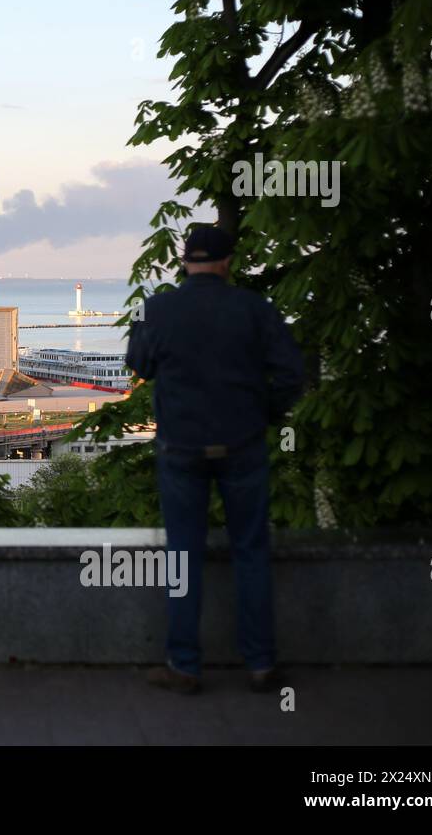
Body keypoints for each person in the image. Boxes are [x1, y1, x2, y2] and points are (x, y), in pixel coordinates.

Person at [126, 225, 305, 694]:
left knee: (183, 555)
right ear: (228, 262)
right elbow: (291, 373)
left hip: (181, 448)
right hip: (243, 445)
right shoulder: (255, 309)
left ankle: (184, 666)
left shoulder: (157, 308)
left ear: (184, 262)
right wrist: (263, 414)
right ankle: (261, 664)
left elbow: (140, 364)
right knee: (251, 550)